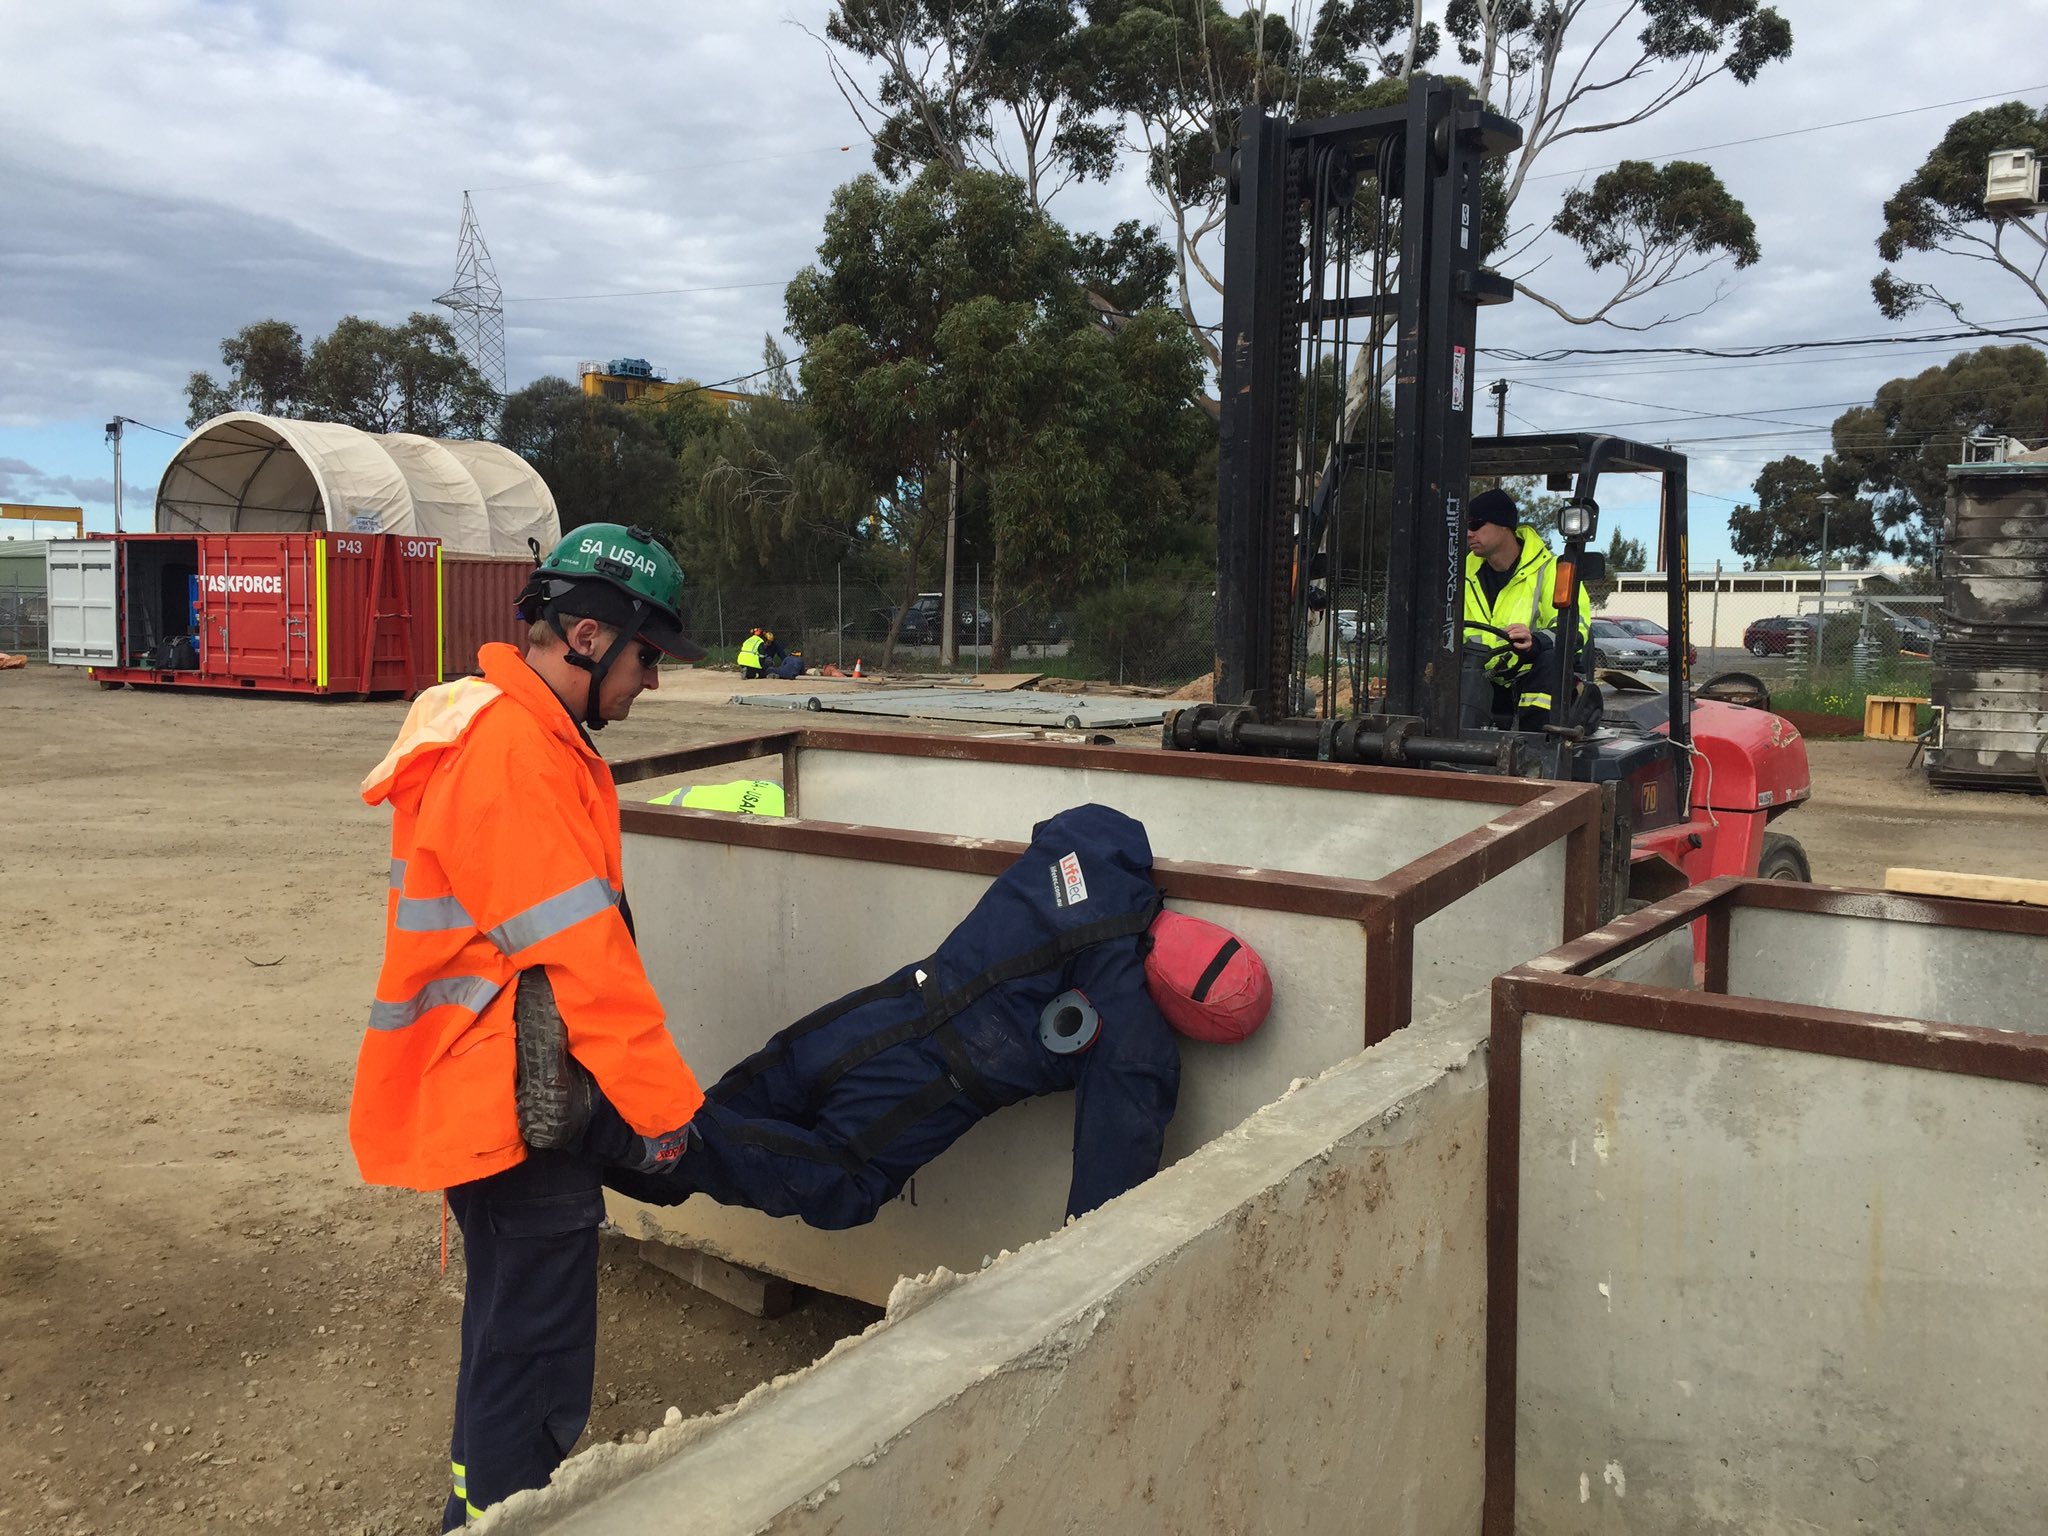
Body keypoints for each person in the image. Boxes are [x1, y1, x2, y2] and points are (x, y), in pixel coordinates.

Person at [349, 522, 711, 1529]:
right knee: (535, 1350)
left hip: (492, 1085)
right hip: (507, 1101)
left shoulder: (513, 728)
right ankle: (499, 1517)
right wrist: (664, 1112)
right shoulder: (512, 750)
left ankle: (476, 1510)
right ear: (588, 638)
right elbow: (580, 953)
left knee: (509, 1328)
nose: (652, 681)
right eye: (648, 656)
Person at [524, 804, 1274, 1230]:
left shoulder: (1100, 848)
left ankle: (575, 1126)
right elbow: (1106, 1202)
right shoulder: (1136, 1041)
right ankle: (600, 1122)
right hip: (914, 1095)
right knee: (841, 1183)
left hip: (858, 1019)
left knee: (728, 1121)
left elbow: (1066, 823)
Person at [1462, 486, 1590, 728]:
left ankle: (1537, 746)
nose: (1469, 533)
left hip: (1529, 682)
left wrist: (1536, 641)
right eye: (1466, 526)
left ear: (1504, 526)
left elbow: (1576, 628)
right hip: (1476, 680)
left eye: (1476, 524)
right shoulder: (1459, 574)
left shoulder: (1551, 570)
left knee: (1553, 659)